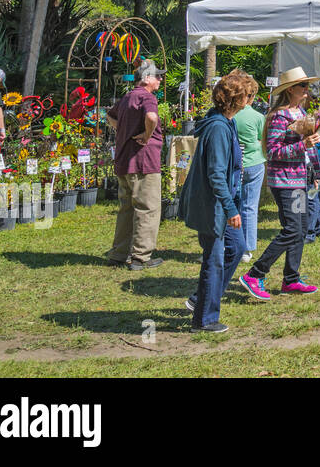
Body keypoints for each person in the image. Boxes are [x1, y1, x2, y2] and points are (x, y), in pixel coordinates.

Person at [179, 72, 256, 333]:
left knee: (236, 249)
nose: (251, 99)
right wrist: (230, 208)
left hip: (222, 203)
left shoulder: (226, 122)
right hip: (214, 206)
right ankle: (204, 320)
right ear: (236, 98)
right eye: (248, 94)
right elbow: (216, 173)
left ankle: (201, 300)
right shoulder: (219, 128)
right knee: (213, 261)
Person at [240, 68, 320, 299]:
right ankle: (255, 274)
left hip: (299, 180)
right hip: (285, 181)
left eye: (307, 85)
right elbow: (274, 151)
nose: (307, 90)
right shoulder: (279, 116)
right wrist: (302, 145)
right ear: (291, 90)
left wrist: (316, 171)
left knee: (301, 228)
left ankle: (291, 279)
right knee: (292, 229)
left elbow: (310, 147)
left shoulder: (299, 112)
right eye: (303, 86)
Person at [104, 60, 166, 269]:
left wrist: (123, 130)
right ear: (146, 78)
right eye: (157, 76)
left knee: (126, 209)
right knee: (147, 208)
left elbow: (109, 116)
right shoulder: (147, 97)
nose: (160, 79)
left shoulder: (128, 96)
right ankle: (140, 257)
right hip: (143, 161)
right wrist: (147, 136)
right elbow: (151, 116)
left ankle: (119, 254)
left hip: (124, 160)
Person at [232, 75, 267, 261]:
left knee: (230, 205)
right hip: (254, 163)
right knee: (249, 207)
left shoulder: (230, 115)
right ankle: (246, 248)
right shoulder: (258, 117)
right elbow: (263, 140)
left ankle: (228, 244)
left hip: (235, 165)